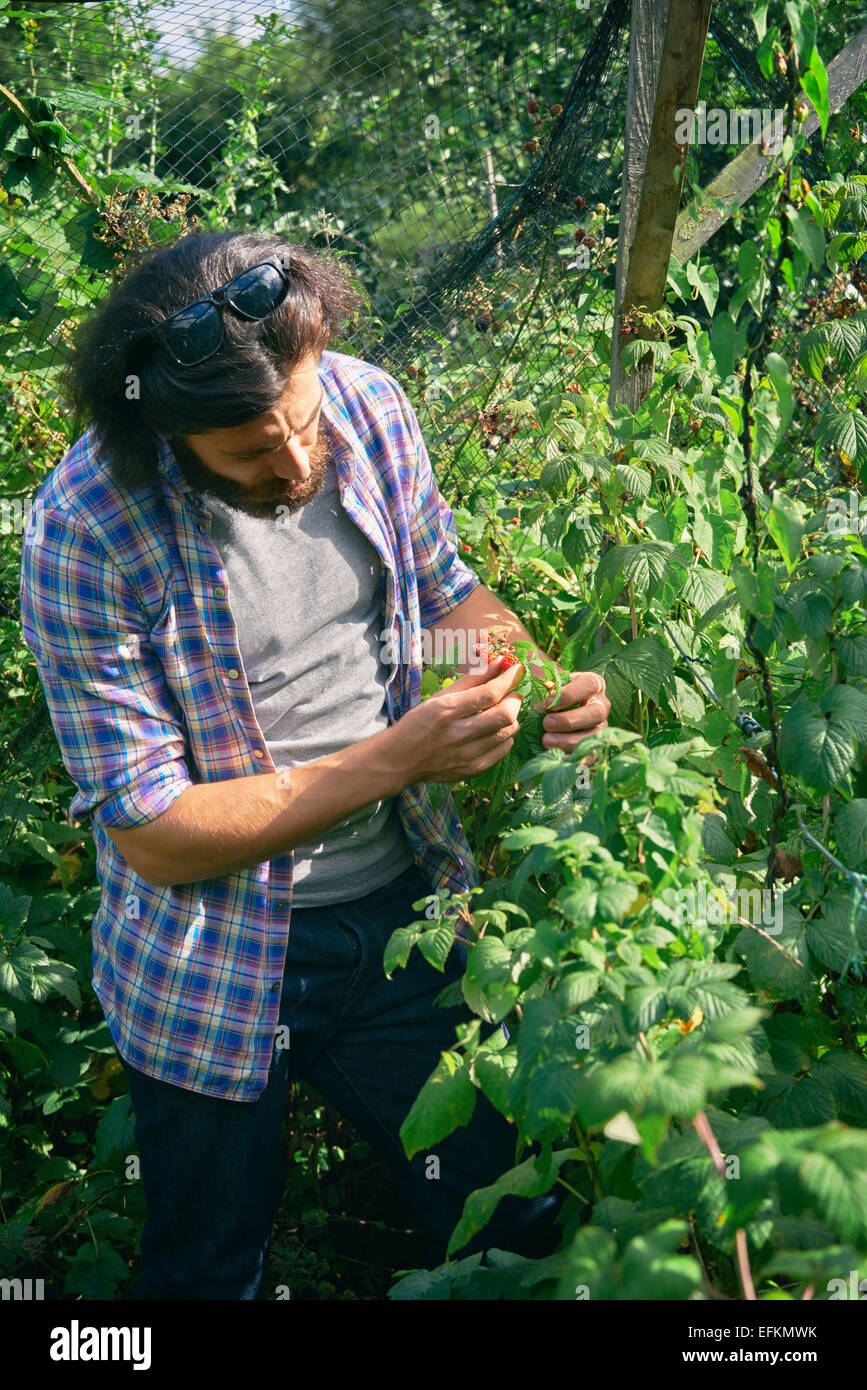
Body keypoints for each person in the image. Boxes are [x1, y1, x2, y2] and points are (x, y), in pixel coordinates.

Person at [18, 230, 610, 1299]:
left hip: (402, 916)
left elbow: (443, 596)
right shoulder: (82, 531)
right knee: (207, 1269)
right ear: (166, 431)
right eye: (249, 453)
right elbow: (153, 832)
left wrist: (530, 673)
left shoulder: (366, 404)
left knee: (508, 1220)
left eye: (300, 421)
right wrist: (397, 759)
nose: (294, 465)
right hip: (209, 957)